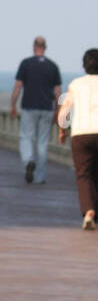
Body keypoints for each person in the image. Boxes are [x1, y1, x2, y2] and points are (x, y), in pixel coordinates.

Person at [11, 36, 62, 185]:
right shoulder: (53, 66)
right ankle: (40, 177)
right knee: (42, 142)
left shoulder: (26, 64)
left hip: (29, 107)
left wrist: (12, 104)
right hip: (47, 108)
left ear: (34, 47)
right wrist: (57, 110)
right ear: (45, 47)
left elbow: (18, 86)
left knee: (26, 137)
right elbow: (58, 91)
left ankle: (28, 161)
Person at [57, 49, 98, 229]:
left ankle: (89, 211)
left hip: (80, 134)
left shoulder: (76, 84)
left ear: (84, 65)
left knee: (84, 175)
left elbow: (65, 109)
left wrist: (62, 130)